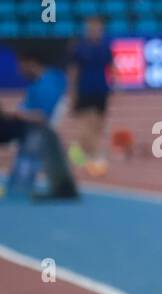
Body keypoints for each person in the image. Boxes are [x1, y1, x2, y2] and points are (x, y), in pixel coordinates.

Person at [1, 47, 74, 199]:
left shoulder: (48, 83)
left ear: (31, 64)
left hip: (31, 127)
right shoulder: (41, 82)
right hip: (24, 125)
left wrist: (19, 114)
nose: (19, 71)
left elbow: (42, 116)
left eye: (21, 66)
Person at [66, 14, 113, 176]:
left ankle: (77, 149)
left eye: (97, 27)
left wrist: (116, 85)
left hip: (102, 90)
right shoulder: (80, 48)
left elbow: (111, 66)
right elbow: (74, 71)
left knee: (98, 126)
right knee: (88, 123)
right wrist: (72, 92)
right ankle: (95, 159)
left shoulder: (106, 45)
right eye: (91, 27)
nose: (94, 30)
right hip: (85, 89)